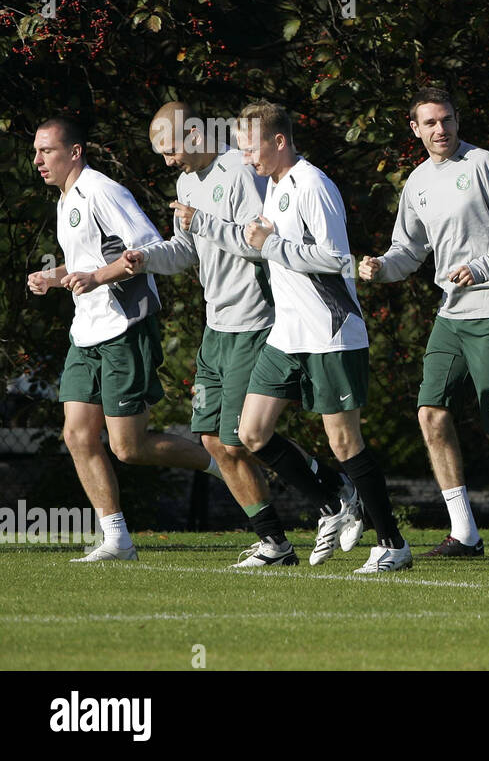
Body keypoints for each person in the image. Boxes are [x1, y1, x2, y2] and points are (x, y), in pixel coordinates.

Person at [125, 101, 361, 567]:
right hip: (216, 326)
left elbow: (261, 247)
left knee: (238, 438)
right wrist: (146, 257)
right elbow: (184, 252)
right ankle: (275, 543)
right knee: (213, 442)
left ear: (194, 133)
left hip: (255, 321)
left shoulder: (240, 171)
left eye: (171, 150)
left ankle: (332, 490)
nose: (168, 162)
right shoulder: (186, 181)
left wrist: (205, 222)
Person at [187, 101, 411, 572]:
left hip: (330, 332)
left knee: (345, 443)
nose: (246, 158)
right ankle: (332, 499)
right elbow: (260, 247)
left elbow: (333, 258)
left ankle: (392, 544)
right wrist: (204, 224)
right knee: (251, 433)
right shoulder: (274, 186)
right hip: (286, 334)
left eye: (251, 148)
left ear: (279, 141)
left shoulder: (312, 184)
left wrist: (270, 243)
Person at [359, 86, 489, 558]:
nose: (441, 129)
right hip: (451, 316)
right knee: (430, 414)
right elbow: (409, 251)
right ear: (415, 129)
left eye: (447, 120)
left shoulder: (485, 166)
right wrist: (381, 267)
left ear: (457, 120)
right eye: (430, 123)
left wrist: (482, 267)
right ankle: (465, 533)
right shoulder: (416, 183)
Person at [28, 116, 224, 562]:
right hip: (87, 333)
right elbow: (84, 261)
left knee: (127, 448)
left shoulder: (102, 190)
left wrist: (97, 278)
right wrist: (53, 277)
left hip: (124, 328)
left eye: (48, 151)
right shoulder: (65, 200)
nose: (38, 160)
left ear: (74, 152)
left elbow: (145, 248)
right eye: (36, 152)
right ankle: (117, 538)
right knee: (78, 436)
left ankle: (222, 465)